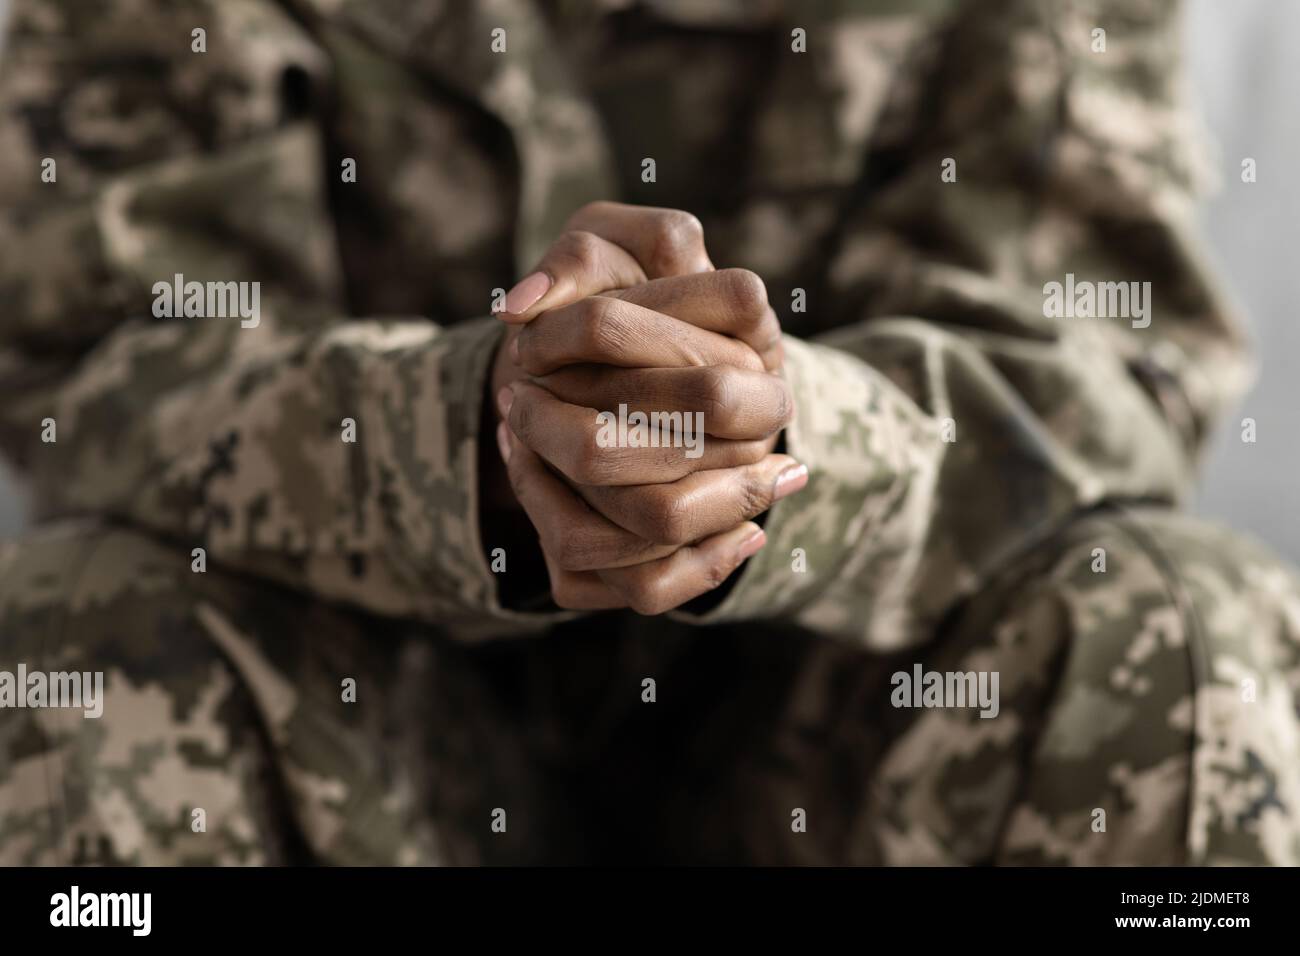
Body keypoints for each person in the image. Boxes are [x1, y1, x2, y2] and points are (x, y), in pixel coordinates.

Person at [0, 0, 1296, 865]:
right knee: (77, 633)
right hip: (363, 732)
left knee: (1180, 625)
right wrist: (478, 445)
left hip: (850, 744)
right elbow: (102, 363)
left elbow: (1101, 376)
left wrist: (775, 453)